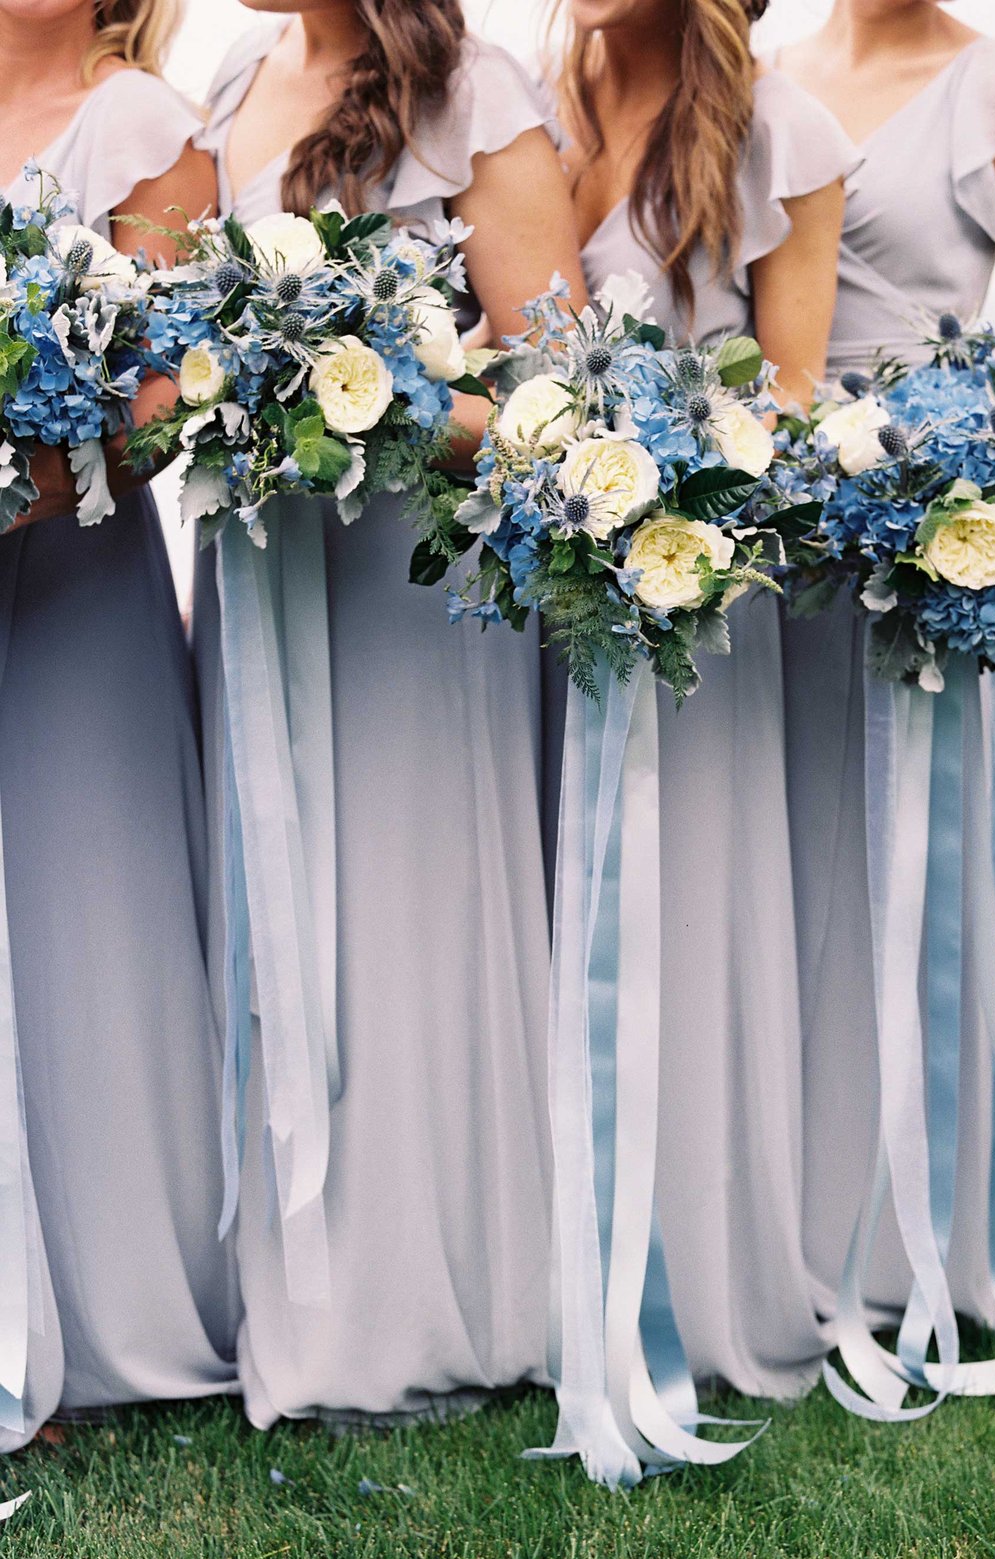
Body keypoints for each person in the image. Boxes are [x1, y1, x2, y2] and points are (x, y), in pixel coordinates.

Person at [192, 0, 591, 1430]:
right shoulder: (238, 74)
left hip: (416, 578)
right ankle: (288, 1293)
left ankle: (445, 1305)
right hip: (257, 559)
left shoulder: (479, 94)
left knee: (407, 914)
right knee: (276, 898)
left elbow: (553, 389)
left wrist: (368, 389)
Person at [775, 0, 995, 1338]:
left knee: (938, 880)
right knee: (797, 873)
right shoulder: (765, 78)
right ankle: (795, 1224)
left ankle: (954, 1231)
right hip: (779, 547)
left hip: (935, 545)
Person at [546, 0, 857, 1399]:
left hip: (699, 620)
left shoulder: (783, 132)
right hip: (538, 597)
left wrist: (675, 517)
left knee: (687, 928)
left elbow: (788, 406)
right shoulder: (534, 110)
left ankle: (701, 1277)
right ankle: (552, 1263)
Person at [0, 0, 238, 1453]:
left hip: (74, 578)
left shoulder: (143, 126)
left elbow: (168, 397)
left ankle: (107, 1309)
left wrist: (19, 484)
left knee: (88, 918)